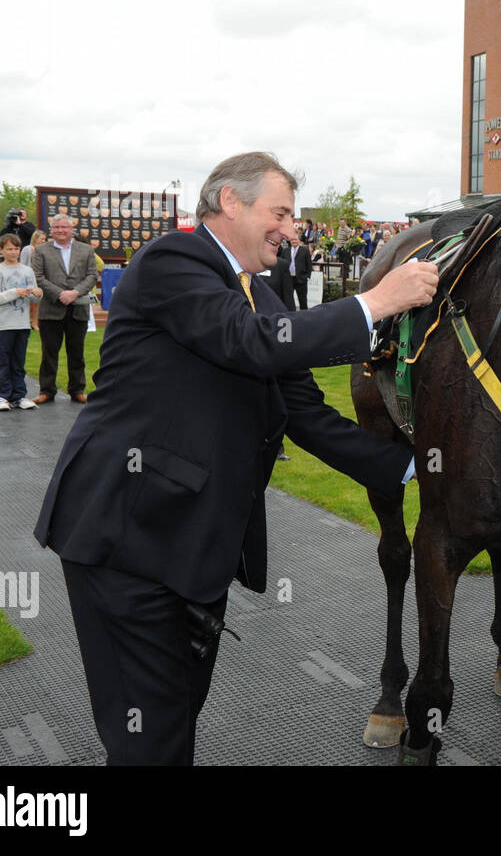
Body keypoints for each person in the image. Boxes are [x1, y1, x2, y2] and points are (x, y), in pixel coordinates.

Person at [33, 152, 439, 765]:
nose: (291, 228)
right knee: (151, 741)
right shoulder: (174, 260)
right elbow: (242, 342)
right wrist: (374, 304)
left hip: (192, 548)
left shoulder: (262, 296)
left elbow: (303, 413)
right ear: (229, 202)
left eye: (294, 217)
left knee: (171, 725)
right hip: (126, 538)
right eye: (279, 212)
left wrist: (417, 465)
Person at [31, 215, 99, 404]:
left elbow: (92, 275)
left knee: (77, 352)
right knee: (49, 353)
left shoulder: (86, 250)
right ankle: (47, 391)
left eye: (64, 227)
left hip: (78, 310)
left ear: (72, 229)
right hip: (51, 309)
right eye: (56, 227)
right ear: (51, 230)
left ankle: (77, 390)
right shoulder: (41, 250)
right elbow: (38, 276)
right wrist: (61, 293)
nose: (60, 230)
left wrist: (75, 293)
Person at [0, 234, 42, 411]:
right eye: (9, 248)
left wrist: (38, 294)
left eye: (16, 248)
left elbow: (33, 298)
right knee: (3, 361)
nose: (13, 252)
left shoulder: (27, 271)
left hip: (22, 323)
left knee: (19, 362)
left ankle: (19, 395)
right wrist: (15, 292)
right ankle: (1, 396)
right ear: (1, 250)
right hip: (3, 324)